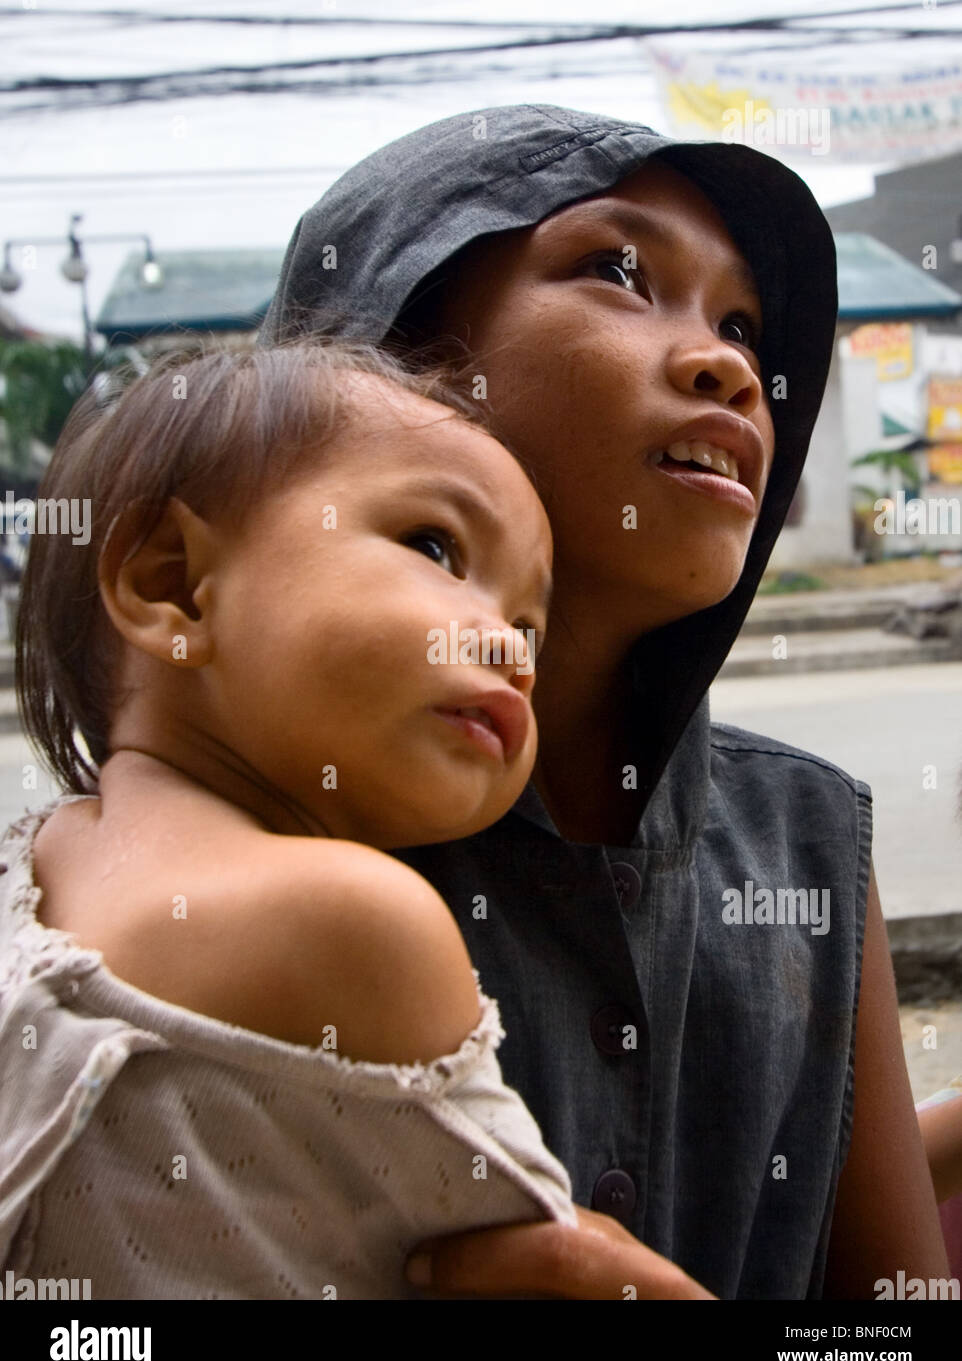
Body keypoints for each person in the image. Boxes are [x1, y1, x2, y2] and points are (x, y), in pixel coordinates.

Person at [259, 104, 953, 1299]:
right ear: (390, 368)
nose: (727, 362)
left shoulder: (805, 836)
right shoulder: (260, 836)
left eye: (741, 323)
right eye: (619, 274)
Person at [2, 338, 713, 1300]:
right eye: (435, 547)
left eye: (531, 626)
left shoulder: (32, 875)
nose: (508, 645)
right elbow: (554, 1275)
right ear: (173, 584)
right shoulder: (359, 919)